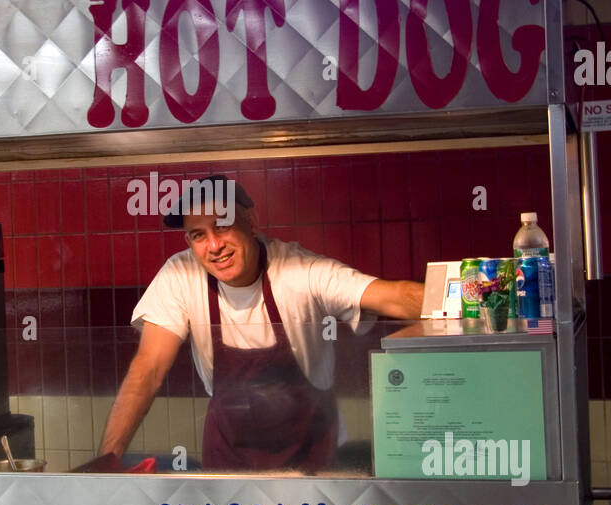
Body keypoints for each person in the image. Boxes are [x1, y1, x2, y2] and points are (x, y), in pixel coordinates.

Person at [97, 174, 423, 472]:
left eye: (222, 226)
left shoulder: (300, 271)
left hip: (312, 462)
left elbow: (394, 296)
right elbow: (149, 368)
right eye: (199, 235)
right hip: (228, 462)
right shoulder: (180, 275)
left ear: (251, 223)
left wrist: (467, 297)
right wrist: (108, 462)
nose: (214, 246)